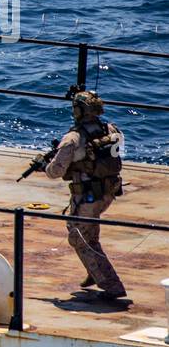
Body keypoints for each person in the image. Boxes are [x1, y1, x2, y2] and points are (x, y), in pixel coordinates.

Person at [38, 88, 127, 300]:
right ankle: (94, 271)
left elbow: (55, 171)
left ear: (78, 111)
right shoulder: (111, 129)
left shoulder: (73, 138)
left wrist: (44, 166)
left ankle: (112, 286)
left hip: (87, 196)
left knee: (79, 238)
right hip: (108, 191)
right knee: (89, 234)